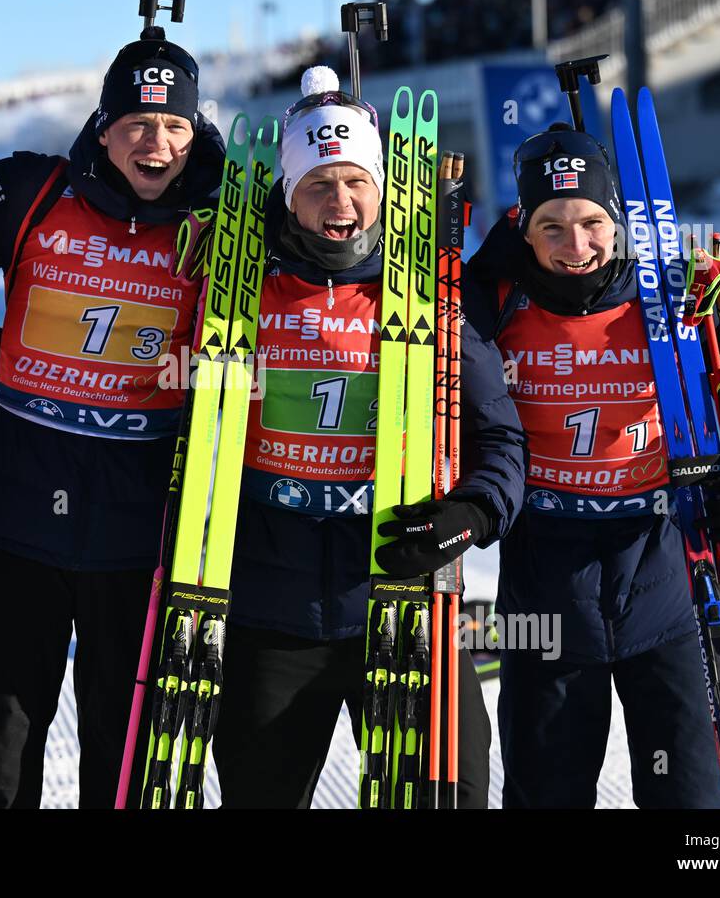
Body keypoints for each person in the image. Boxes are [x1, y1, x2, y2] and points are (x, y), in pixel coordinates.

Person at [463, 122, 720, 807]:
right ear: (523, 227)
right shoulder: (493, 306)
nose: (576, 246)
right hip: (545, 599)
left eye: (592, 222)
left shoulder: (680, 301)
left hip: (675, 587)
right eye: (552, 227)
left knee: (691, 798)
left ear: (619, 221)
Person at [209, 67, 527, 808]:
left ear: (383, 186)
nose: (341, 202)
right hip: (270, 615)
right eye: (318, 184)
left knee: (453, 797)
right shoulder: (237, 289)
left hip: (410, 605)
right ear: (288, 193)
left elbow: (502, 442)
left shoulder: (436, 296)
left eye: (356, 181)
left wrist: (472, 516)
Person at [0, 21, 225, 808]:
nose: (156, 143)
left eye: (174, 125)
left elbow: (315, 250)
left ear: (195, 131)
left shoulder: (222, 220)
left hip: (142, 504)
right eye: (137, 123)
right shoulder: (38, 189)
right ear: (106, 127)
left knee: (124, 731)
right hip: (19, 492)